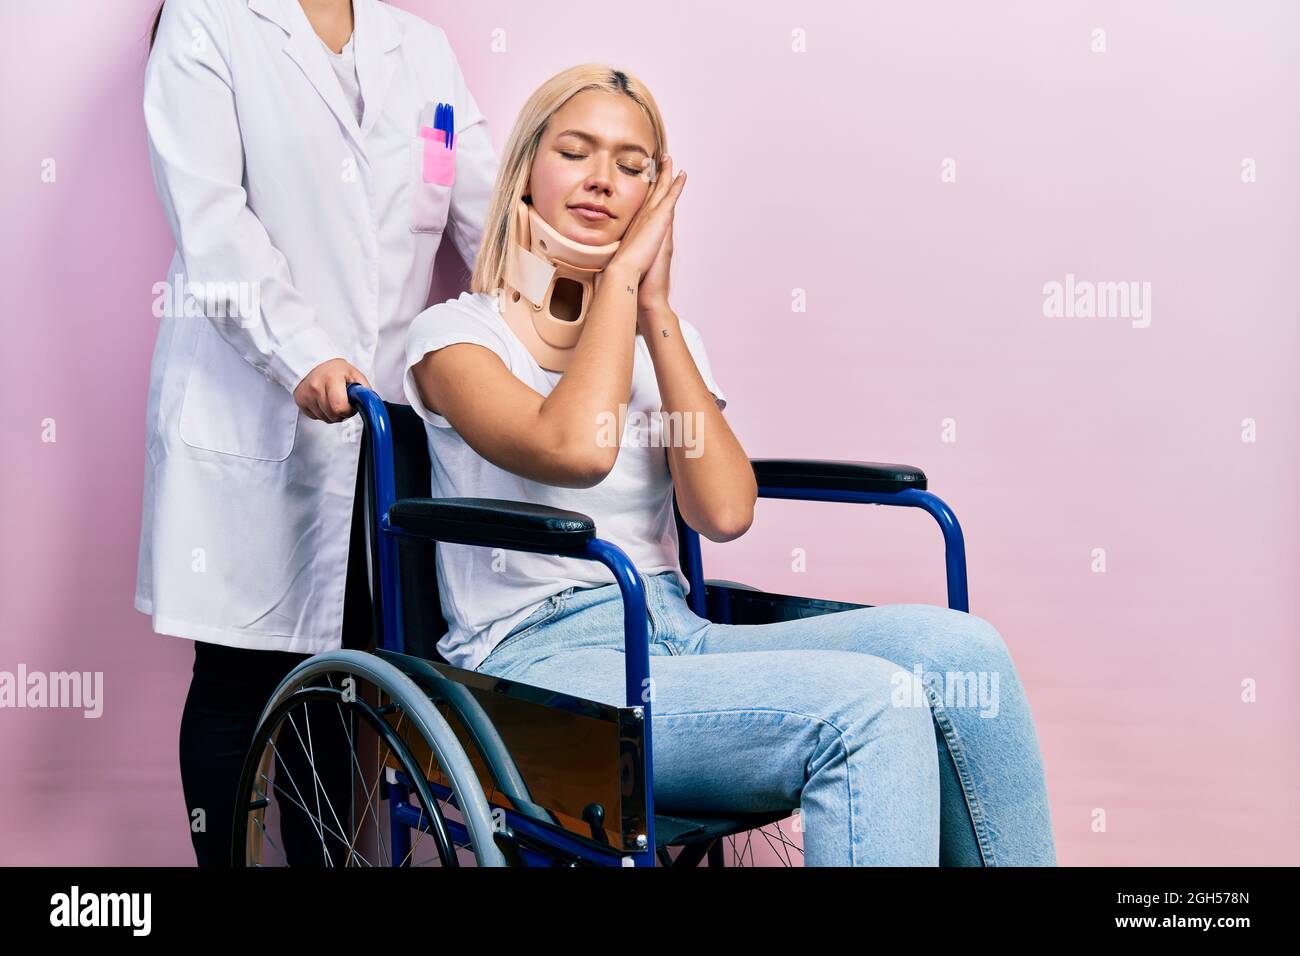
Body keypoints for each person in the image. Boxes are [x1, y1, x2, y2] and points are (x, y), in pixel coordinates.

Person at [403, 64, 1057, 866]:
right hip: (538, 669)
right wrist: (617, 281)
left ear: (655, 195)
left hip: (679, 635)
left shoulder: (661, 340)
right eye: (576, 152)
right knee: (870, 707)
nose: (603, 179)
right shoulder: (454, 338)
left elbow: (724, 511)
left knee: (965, 653)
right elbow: (575, 448)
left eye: (633, 165)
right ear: (525, 176)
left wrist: (656, 312)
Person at [136, 0, 497, 865]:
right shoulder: (207, 22)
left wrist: (578, 315)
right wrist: (303, 354)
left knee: (344, 686)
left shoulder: (422, 50)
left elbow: (490, 215)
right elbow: (214, 226)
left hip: (380, 439)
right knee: (237, 683)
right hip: (251, 403)